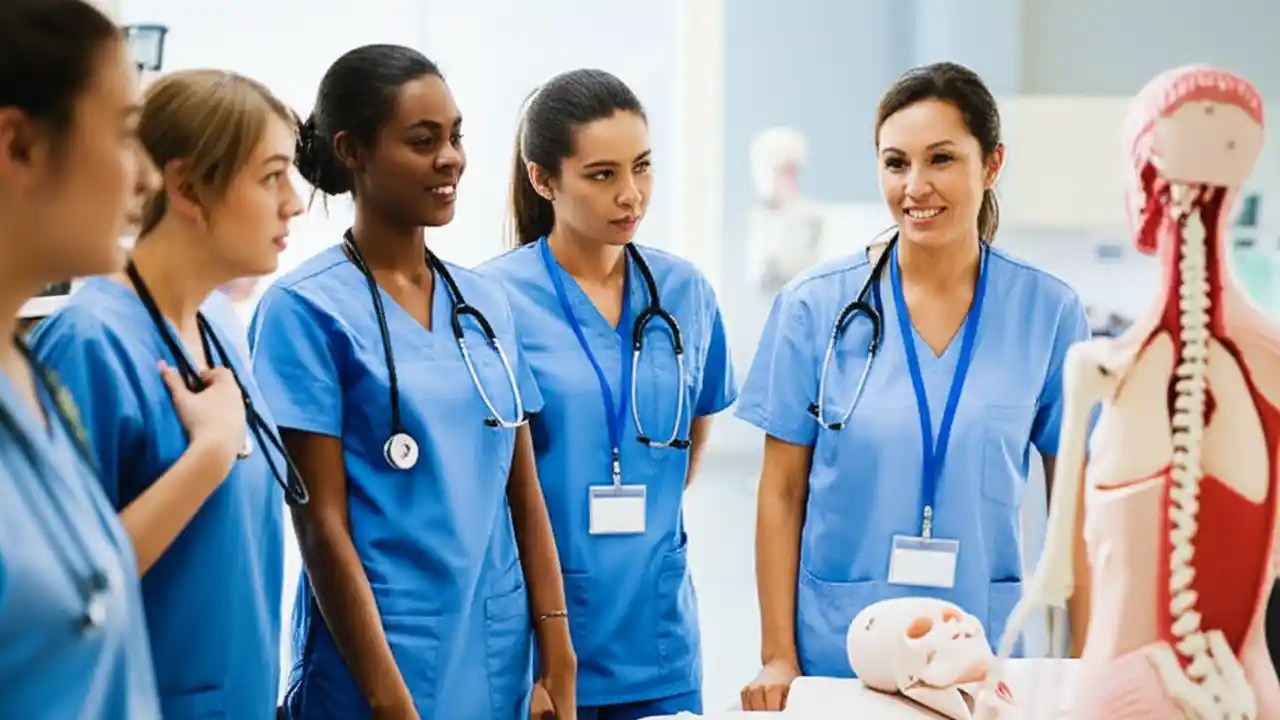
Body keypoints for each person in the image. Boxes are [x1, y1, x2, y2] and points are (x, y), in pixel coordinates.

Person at [735, 62, 1091, 711]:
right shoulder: (814, 308)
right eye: (896, 163)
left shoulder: (1048, 313)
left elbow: (1076, 509)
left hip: (982, 653)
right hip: (837, 653)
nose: (915, 185)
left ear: (993, 163)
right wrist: (778, 655)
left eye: (942, 159)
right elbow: (781, 493)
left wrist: (1085, 663)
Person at [247, 44, 576, 720]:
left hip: (493, 655)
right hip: (377, 665)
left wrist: (558, 648)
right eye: (423, 141)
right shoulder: (303, 311)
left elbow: (523, 490)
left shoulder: (487, 305)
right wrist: (388, 702)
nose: (450, 157)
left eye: (456, 137)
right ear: (353, 151)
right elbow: (320, 525)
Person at [28, 68, 307, 719]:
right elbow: (66, 589)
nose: (293, 200)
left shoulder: (223, 326)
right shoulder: (88, 343)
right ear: (187, 188)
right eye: (271, 176)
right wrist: (207, 458)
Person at [477, 68, 738, 720]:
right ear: (544, 179)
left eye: (643, 167)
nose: (632, 195)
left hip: (657, 638)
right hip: (537, 644)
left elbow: (691, 433)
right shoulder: (491, 302)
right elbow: (487, 478)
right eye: (602, 175)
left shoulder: (685, 293)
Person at [0, 2, 161, 716]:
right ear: (18, 146)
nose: (147, 179)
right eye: (128, 135)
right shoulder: (83, 341)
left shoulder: (27, 374)